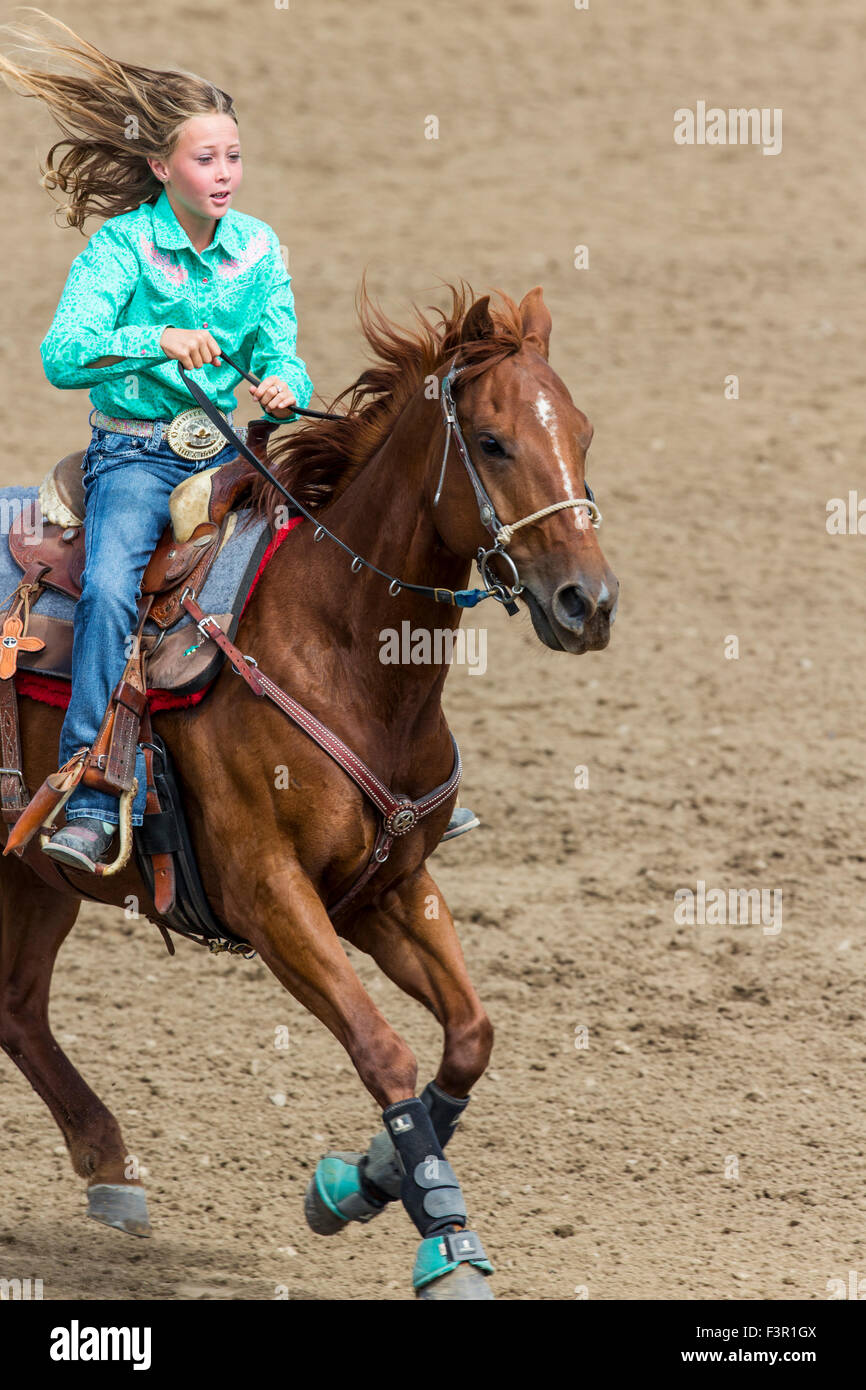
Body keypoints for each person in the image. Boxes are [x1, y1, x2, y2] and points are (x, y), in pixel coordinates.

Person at [0, 12, 477, 872]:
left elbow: (278, 345)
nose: (224, 174)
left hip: (233, 456)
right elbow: (62, 353)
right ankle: (90, 781)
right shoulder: (120, 250)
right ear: (160, 167)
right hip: (137, 457)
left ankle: (394, 766)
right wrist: (158, 339)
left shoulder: (258, 248)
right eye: (205, 159)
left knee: (344, 567)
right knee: (111, 587)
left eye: (233, 157)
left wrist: (286, 380)